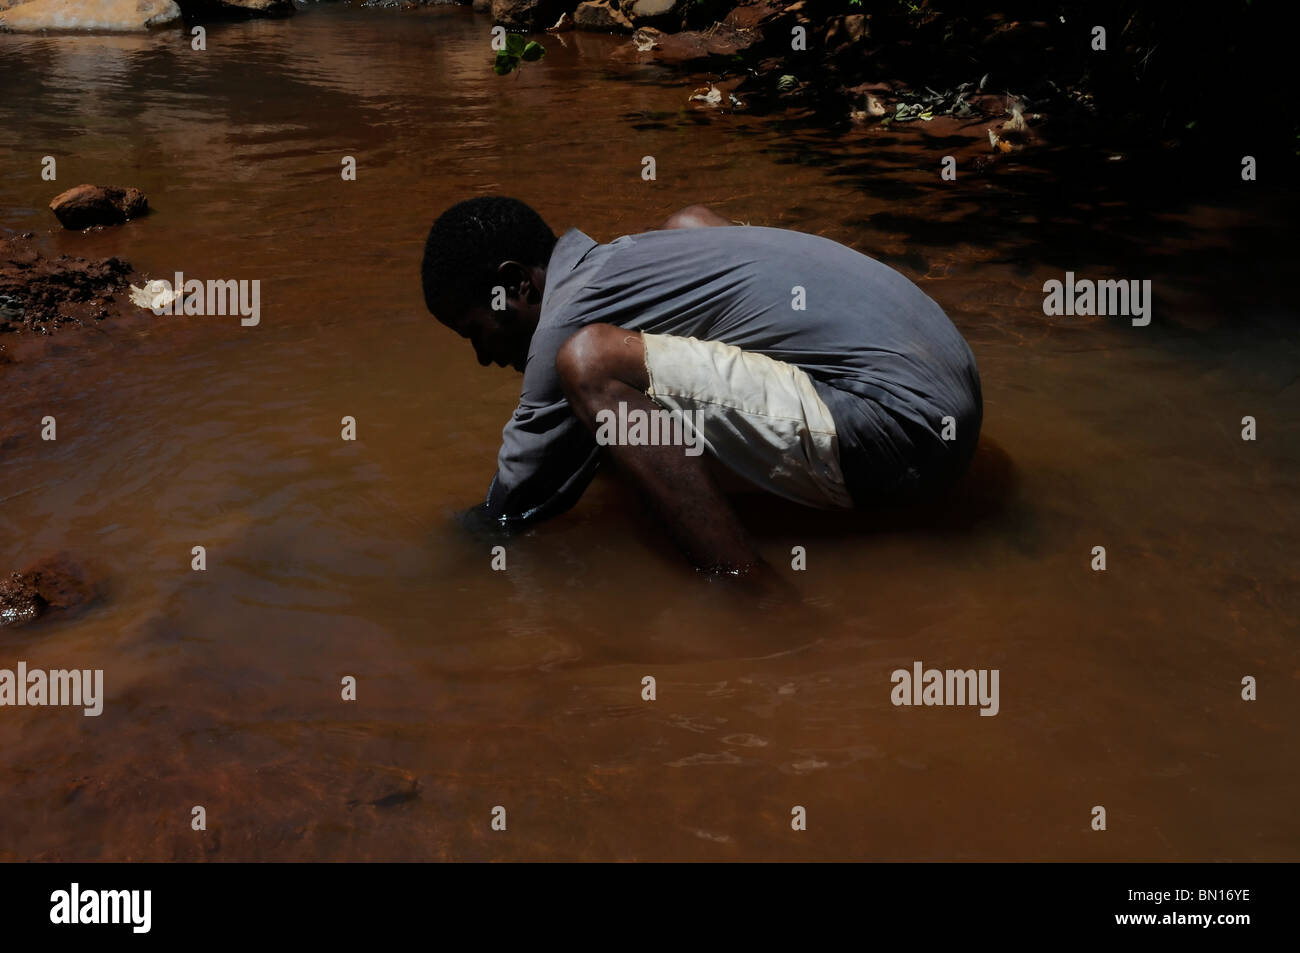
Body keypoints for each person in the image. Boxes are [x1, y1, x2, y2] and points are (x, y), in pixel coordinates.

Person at [420, 196, 982, 575]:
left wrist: (440, 559)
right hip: (948, 386)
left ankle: (751, 593)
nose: (483, 358)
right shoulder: (629, 261)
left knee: (590, 365)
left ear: (514, 285)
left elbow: (514, 501)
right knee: (687, 221)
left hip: (907, 436)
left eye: (477, 331)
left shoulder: (568, 318)